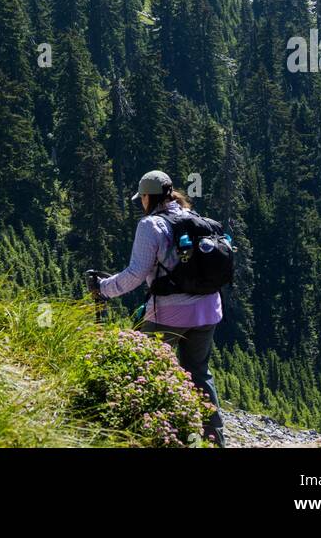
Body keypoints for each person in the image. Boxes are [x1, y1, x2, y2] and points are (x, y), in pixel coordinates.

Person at [95, 169, 226, 447]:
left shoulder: (150, 225)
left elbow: (135, 274)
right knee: (199, 372)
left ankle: (149, 435)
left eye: (141, 198)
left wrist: (103, 288)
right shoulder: (195, 219)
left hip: (169, 313)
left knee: (147, 368)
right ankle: (214, 439)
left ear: (147, 197)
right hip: (209, 309)